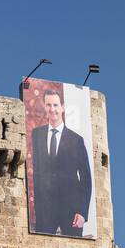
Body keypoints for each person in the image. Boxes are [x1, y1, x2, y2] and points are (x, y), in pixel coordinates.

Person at [29, 88, 92, 238]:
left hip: (71, 211)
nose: (52, 109)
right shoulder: (37, 134)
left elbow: (85, 178)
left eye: (55, 105)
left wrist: (82, 213)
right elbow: (37, 173)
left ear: (62, 107)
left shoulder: (76, 140)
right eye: (49, 105)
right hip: (46, 211)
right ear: (45, 107)